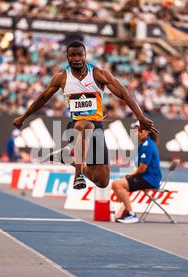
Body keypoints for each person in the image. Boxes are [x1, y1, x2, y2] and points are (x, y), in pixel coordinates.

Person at [13, 40, 158, 189]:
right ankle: (78, 176)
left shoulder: (98, 74)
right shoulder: (62, 78)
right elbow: (43, 98)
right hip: (75, 126)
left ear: (85, 55)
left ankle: (67, 157)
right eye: (72, 55)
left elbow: (124, 94)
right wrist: (23, 117)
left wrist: (140, 117)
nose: (76, 58)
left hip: (97, 126)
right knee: (85, 125)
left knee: (102, 181)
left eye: (79, 55)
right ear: (67, 57)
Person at [112, 121, 162, 224]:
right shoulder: (145, 144)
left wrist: (130, 174)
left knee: (117, 184)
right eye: (136, 131)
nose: (137, 133)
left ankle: (131, 214)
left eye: (140, 131)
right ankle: (125, 210)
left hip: (150, 180)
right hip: (147, 177)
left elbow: (142, 169)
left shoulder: (147, 146)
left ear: (147, 132)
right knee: (116, 183)